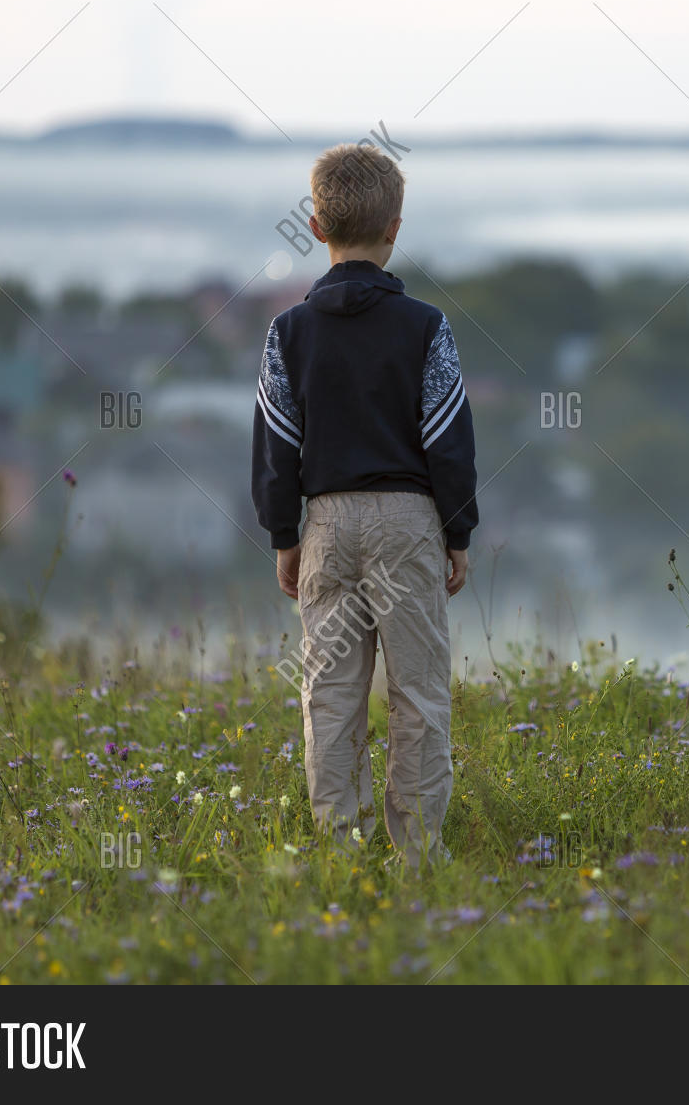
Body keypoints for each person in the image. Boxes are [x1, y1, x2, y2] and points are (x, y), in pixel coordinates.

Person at [251, 142, 477, 868]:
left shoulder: (287, 332)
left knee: (330, 696)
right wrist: (458, 531)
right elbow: (448, 442)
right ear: (395, 228)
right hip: (408, 522)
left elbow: (276, 445)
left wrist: (284, 534)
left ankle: (341, 855)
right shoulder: (426, 326)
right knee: (418, 693)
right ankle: (419, 856)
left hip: (324, 524)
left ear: (316, 227)